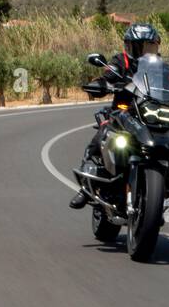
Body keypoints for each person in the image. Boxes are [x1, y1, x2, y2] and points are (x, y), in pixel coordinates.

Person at [69, 22, 162, 208]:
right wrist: (102, 83)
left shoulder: (160, 66)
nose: (146, 51)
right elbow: (109, 75)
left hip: (150, 115)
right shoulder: (120, 61)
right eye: (141, 47)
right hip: (123, 112)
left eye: (150, 46)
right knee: (102, 133)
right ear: (130, 46)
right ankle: (85, 189)